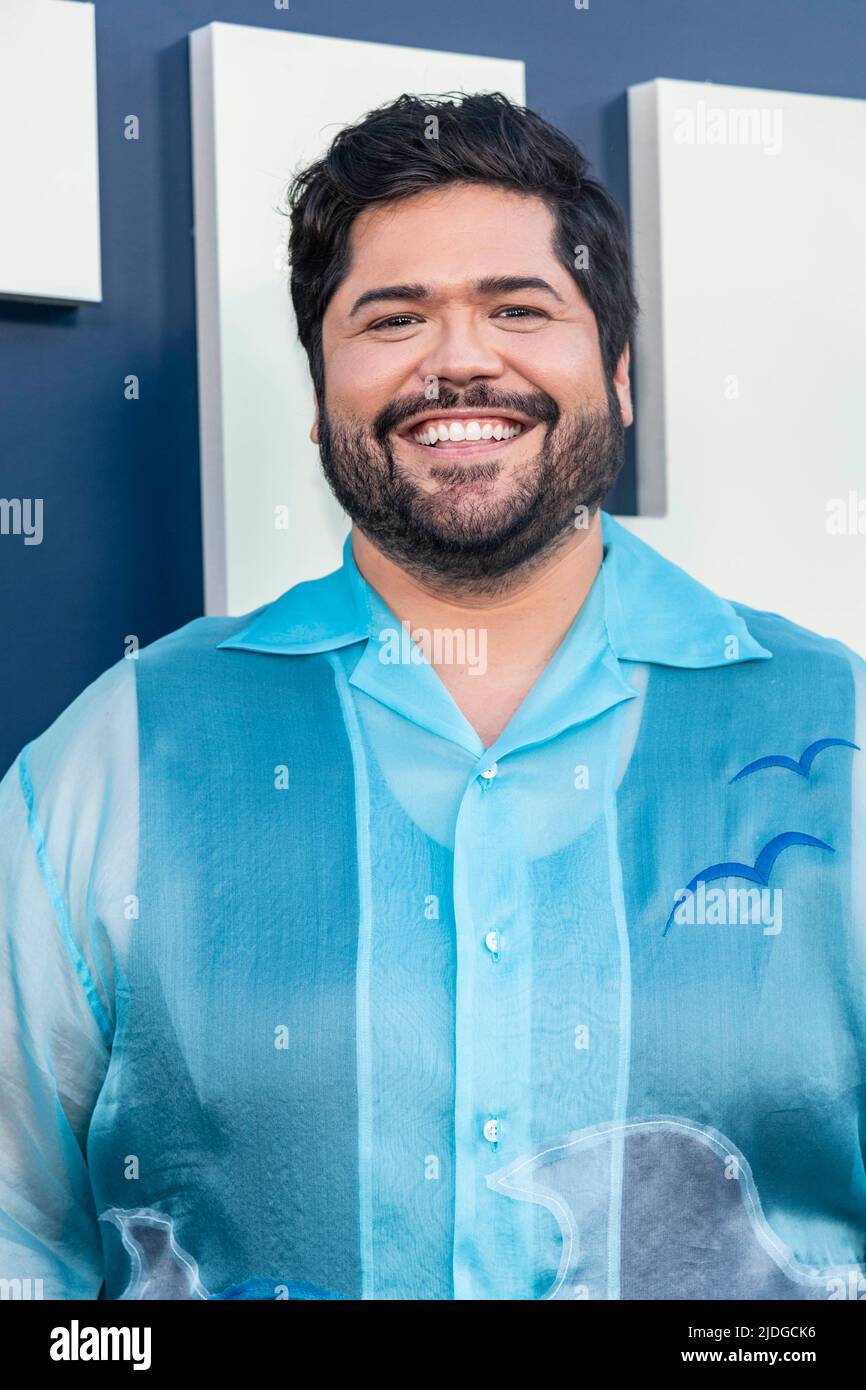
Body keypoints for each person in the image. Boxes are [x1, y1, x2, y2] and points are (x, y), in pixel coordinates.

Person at [1, 92, 864, 1302]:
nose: (459, 358)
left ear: (615, 373)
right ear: (317, 399)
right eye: (392, 317)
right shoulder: (117, 753)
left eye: (517, 308)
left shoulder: (843, 738)